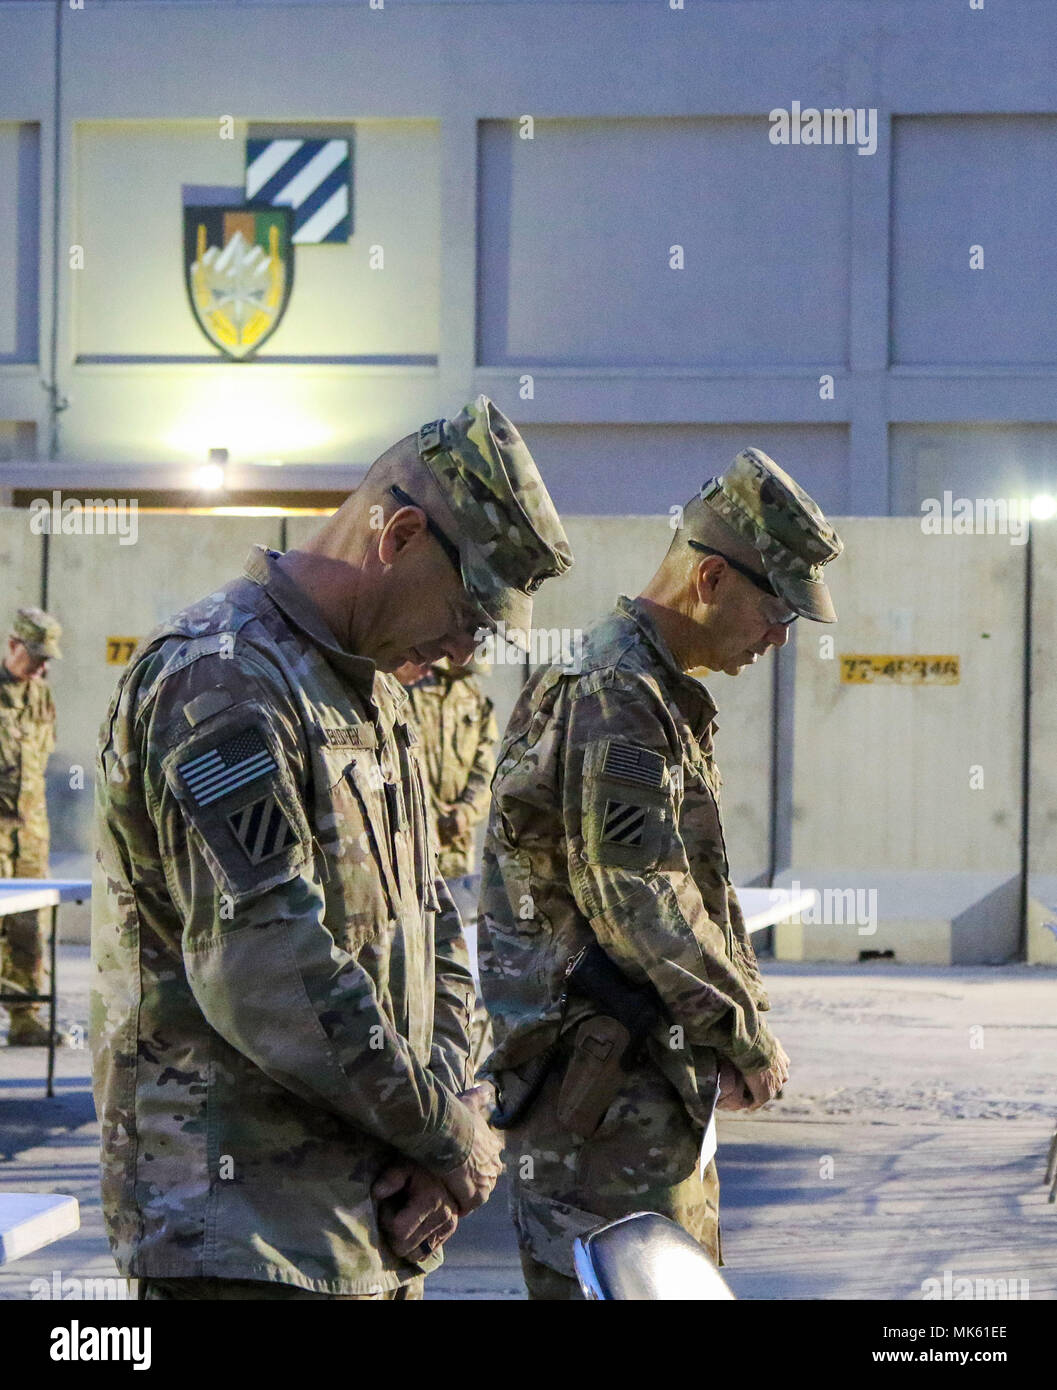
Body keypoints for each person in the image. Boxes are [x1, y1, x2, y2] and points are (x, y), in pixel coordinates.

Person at [91, 396, 572, 1300]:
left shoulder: (380, 696)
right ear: (395, 537)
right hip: (243, 1237)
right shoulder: (221, 680)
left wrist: (452, 1125)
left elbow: (431, 925)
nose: (469, 647)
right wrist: (445, 1138)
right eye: (469, 611)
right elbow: (268, 966)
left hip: (374, 1219)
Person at [477, 448, 843, 1299]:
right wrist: (741, 1030)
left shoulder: (638, 684)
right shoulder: (620, 693)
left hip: (625, 1084)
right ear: (711, 577)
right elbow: (634, 892)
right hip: (603, 1102)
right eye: (774, 608)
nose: (778, 636)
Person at [395, 657, 498, 1074]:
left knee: (460, 963)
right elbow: (404, 762)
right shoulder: (408, 690)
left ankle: (462, 1059)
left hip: (458, 856)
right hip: (419, 850)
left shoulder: (475, 699)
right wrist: (433, 818)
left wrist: (465, 813)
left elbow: (486, 766)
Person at [1, 608, 62, 1046]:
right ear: (12, 646)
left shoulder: (42, 697)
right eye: (36, 655)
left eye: (48, 658)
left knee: (28, 925)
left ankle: (25, 1019)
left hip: (32, 835)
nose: (42, 666)